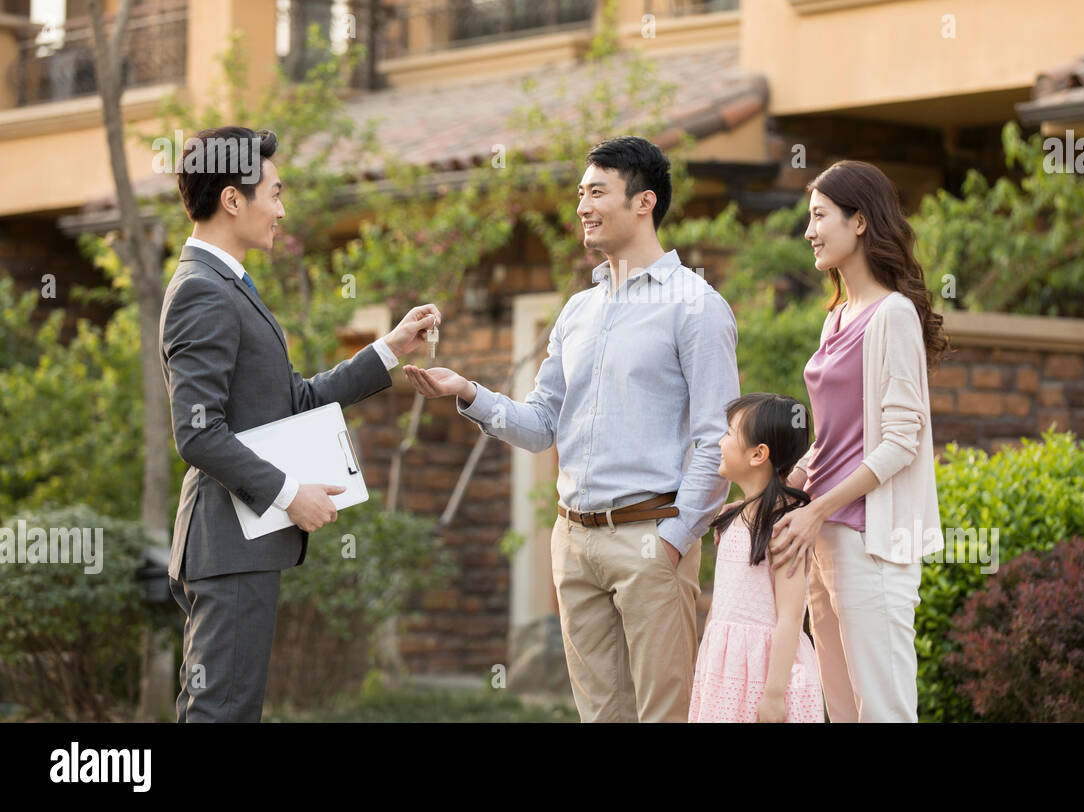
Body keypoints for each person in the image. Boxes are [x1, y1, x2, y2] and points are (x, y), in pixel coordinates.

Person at [404, 135, 739, 722]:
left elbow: (717, 440)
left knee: (665, 713)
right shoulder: (577, 312)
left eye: (597, 192)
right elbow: (540, 427)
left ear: (644, 202)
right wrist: (468, 392)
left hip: (651, 535)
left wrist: (676, 539)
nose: (582, 206)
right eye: (580, 193)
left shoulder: (696, 306)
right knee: (599, 716)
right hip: (574, 541)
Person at [161, 126, 440, 722]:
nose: (282, 210)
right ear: (233, 199)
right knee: (222, 713)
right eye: (276, 193)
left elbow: (297, 398)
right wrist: (289, 495)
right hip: (229, 543)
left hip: (241, 547)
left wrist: (388, 349)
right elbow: (197, 432)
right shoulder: (203, 292)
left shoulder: (227, 286)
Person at [771, 160, 949, 723]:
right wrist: (785, 486)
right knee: (842, 710)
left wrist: (818, 508)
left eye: (820, 216)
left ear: (861, 221)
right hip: (824, 537)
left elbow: (901, 441)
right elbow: (836, 437)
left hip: (869, 541)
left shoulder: (893, 316)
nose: (810, 231)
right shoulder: (837, 318)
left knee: (884, 710)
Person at [689, 393, 824, 723]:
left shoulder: (783, 527)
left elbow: (791, 616)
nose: (720, 442)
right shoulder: (733, 519)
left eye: (729, 433)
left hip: (769, 676)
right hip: (725, 672)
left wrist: (775, 694)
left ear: (758, 454)